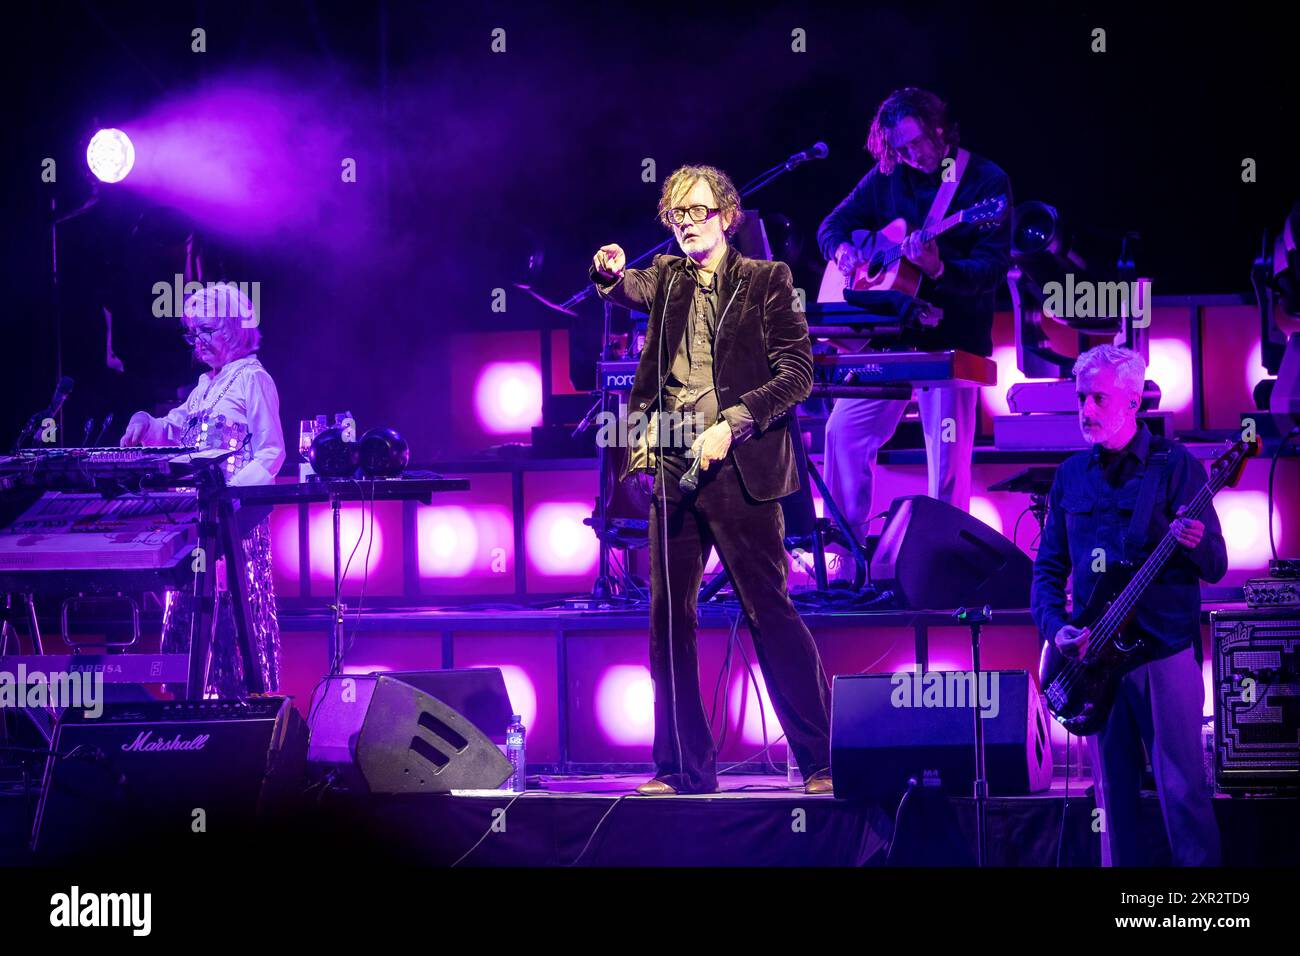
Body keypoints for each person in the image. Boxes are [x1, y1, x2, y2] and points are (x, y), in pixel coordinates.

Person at [591, 164, 833, 794]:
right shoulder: (668, 279)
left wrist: (736, 421)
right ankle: (682, 769)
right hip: (671, 461)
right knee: (668, 618)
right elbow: (629, 289)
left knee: (768, 612)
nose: (689, 224)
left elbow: (799, 373)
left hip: (739, 465)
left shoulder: (766, 279)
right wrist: (608, 273)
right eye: (678, 215)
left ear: (728, 216)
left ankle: (820, 761)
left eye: (700, 211)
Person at [1031, 344, 1225, 865]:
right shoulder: (1070, 475)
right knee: (1111, 804)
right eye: (1081, 398)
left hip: (1162, 650)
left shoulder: (1175, 466)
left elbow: (1216, 564)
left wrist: (1196, 540)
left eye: (1098, 398)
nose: (1086, 410)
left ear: (1133, 403)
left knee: (1183, 796)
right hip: (1095, 657)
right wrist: (1056, 631)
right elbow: (1048, 569)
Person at [817, 87, 1011, 544]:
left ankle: (938, 565)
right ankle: (848, 560)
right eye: (898, 149)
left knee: (944, 461)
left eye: (916, 144)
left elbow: (991, 270)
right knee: (842, 432)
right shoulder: (890, 173)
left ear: (939, 129)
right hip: (886, 342)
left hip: (950, 341)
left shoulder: (985, 182)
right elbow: (831, 227)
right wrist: (844, 251)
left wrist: (939, 268)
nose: (908, 156)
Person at [122, 282, 286, 697]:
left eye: (207, 330)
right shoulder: (204, 387)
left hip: (233, 525)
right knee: (191, 613)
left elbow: (271, 453)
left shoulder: (253, 379)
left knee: (230, 619)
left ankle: (236, 712)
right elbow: (170, 429)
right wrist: (144, 420)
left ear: (234, 327)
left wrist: (229, 497)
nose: (198, 342)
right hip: (198, 525)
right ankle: (189, 712)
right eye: (193, 333)